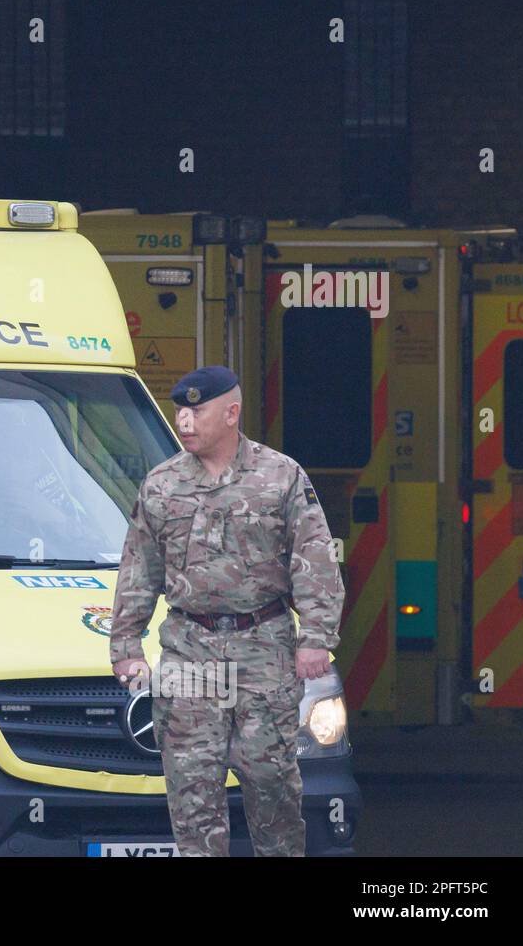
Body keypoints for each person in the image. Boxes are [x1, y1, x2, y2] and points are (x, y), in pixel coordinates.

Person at [109, 365, 344, 857]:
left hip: (264, 650)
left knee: (272, 786)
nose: (184, 421)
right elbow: (139, 568)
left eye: (196, 410)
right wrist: (126, 646)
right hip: (189, 652)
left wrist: (316, 636)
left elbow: (314, 558)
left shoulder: (280, 477)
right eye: (180, 411)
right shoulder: (161, 485)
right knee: (193, 794)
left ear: (232, 412)